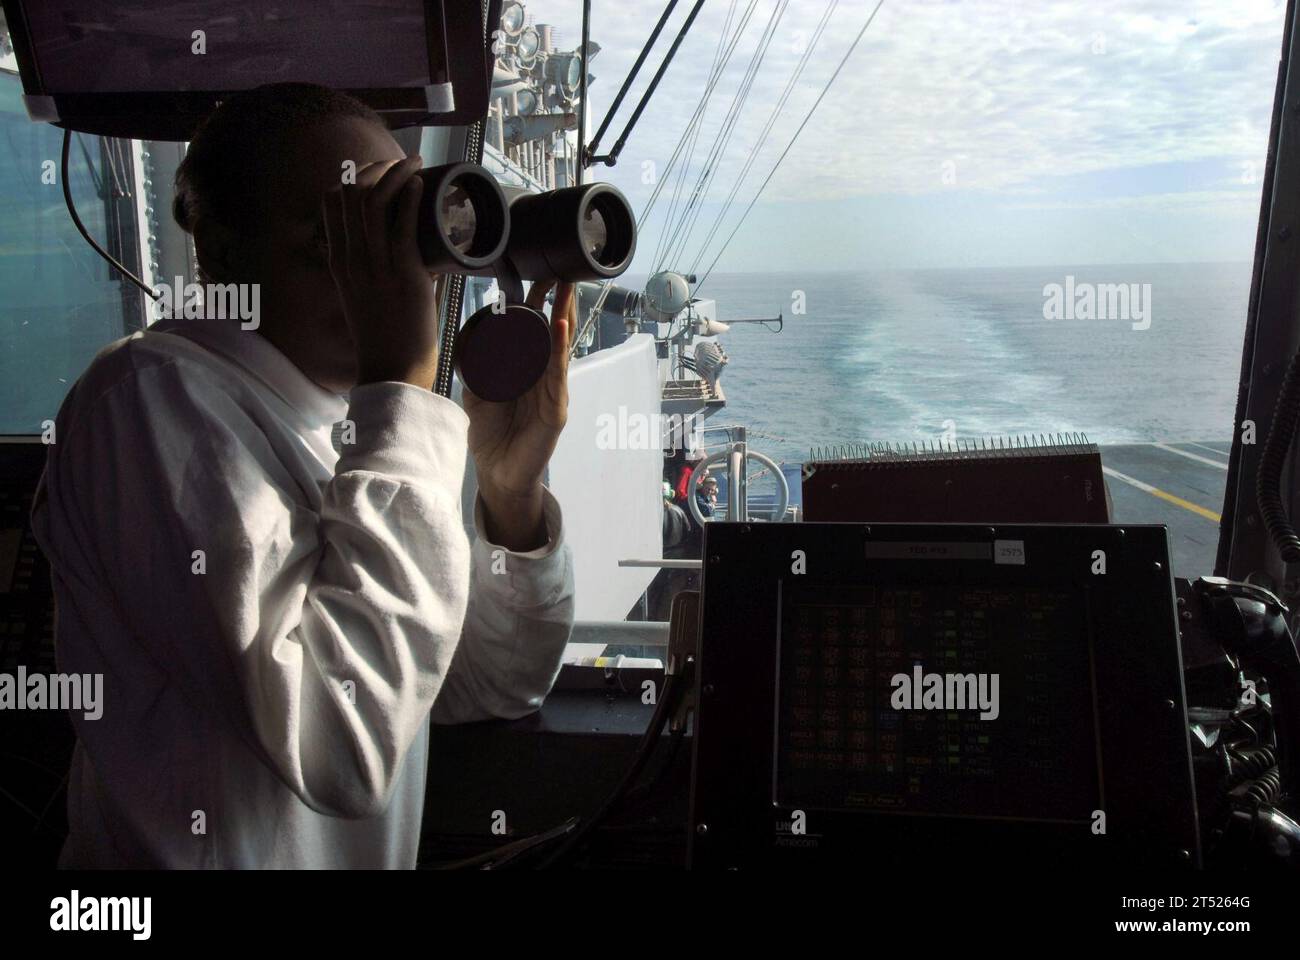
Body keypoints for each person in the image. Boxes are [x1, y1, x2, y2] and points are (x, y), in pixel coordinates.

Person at [30, 83, 577, 869]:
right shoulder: (150, 399)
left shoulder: (364, 429)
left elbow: (487, 687)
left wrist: (509, 491)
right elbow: (341, 742)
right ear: (224, 254)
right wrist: (400, 381)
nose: (382, 273)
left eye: (394, 234)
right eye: (337, 241)